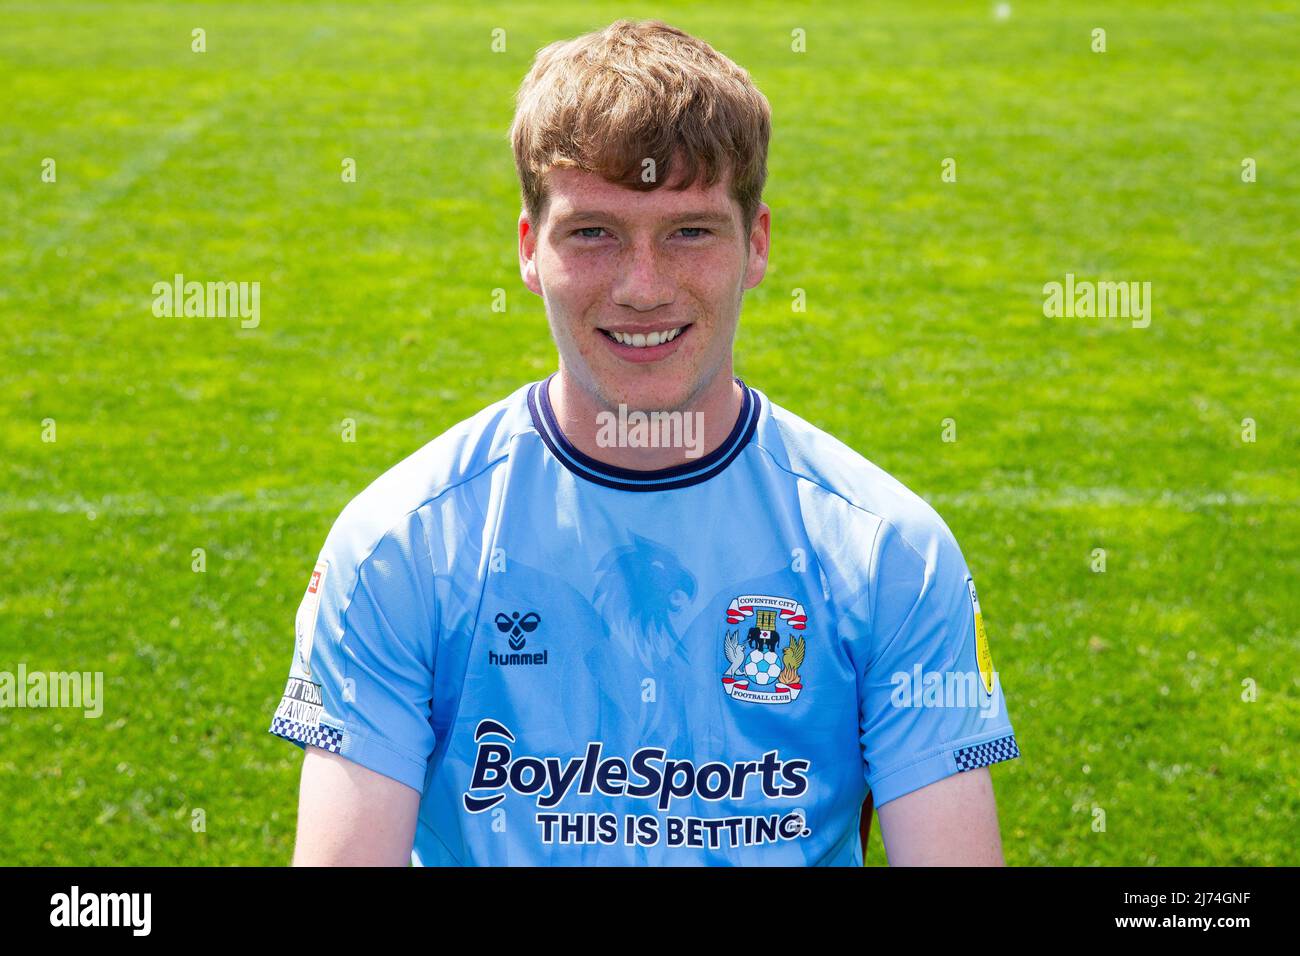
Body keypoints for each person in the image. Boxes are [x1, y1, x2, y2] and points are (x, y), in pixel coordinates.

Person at [269, 17, 1019, 866]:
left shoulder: (893, 553)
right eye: (593, 232)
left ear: (757, 245)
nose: (642, 288)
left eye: (689, 232)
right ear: (528, 250)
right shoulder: (397, 547)